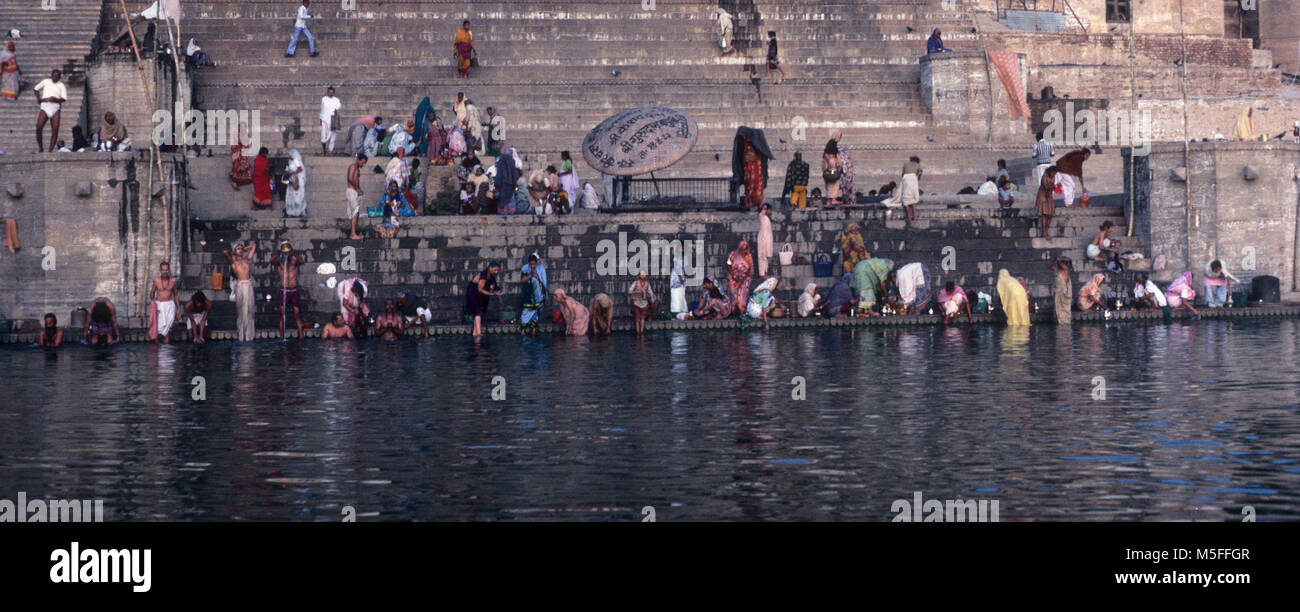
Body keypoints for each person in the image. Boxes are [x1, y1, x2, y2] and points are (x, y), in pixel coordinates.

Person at [271, 241, 305, 339]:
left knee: (297, 314)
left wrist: (293, 253)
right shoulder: (280, 264)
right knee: (282, 314)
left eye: (287, 251)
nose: (286, 254)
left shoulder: (295, 263)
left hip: (293, 291)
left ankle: (301, 336)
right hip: (284, 291)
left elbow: (302, 261)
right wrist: (278, 253)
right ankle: (282, 337)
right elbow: (271, 261)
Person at [224, 242, 256, 341]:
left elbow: (254, 246)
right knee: (240, 310)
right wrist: (234, 253)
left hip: (249, 285)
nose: (241, 250)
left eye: (241, 249)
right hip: (240, 285)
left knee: (250, 309)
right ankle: (241, 336)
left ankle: (250, 336)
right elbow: (225, 252)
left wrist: (244, 248)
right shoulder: (233, 262)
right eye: (238, 248)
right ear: (234, 251)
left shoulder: (246, 259)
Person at [33, 69, 66, 152]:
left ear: (59, 77)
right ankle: (40, 147)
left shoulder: (61, 85)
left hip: (55, 107)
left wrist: (56, 99)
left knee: (55, 129)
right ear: (51, 76)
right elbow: (36, 89)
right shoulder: (45, 81)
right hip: (45, 106)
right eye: (54, 76)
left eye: (57, 77)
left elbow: (64, 99)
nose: (55, 78)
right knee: (39, 127)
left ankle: (50, 150)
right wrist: (38, 99)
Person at [466, 262, 502, 337]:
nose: (496, 272)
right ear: (490, 268)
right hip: (473, 292)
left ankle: (475, 333)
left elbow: (494, 287)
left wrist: (494, 289)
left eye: (497, 270)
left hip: (480, 294)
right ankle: (478, 334)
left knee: (480, 311)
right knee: (477, 311)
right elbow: (480, 289)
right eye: (495, 270)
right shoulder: (484, 275)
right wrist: (492, 293)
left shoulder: (492, 276)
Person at [149, 260, 181, 343]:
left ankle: (166, 352)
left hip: (169, 306)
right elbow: (152, 293)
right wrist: (153, 302)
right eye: (163, 270)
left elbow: (176, 295)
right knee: (158, 329)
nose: (165, 272)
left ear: (169, 270)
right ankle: (156, 351)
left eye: (166, 270)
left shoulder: (173, 281)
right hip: (159, 306)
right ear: (160, 271)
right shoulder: (156, 281)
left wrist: (178, 309)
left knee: (167, 330)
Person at [520, 253, 547, 335]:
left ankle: (533, 331)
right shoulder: (525, 269)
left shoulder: (540, 268)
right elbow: (522, 281)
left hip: (537, 296)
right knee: (526, 313)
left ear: (536, 263)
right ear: (529, 263)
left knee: (535, 313)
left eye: (534, 264)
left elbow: (543, 282)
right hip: (528, 295)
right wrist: (531, 275)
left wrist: (538, 278)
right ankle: (523, 331)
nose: (533, 266)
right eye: (531, 264)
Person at [726, 241, 754, 315]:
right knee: (732, 291)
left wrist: (741, 281)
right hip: (733, 276)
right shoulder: (733, 254)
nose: (744, 251)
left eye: (745, 249)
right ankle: (732, 309)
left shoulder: (749, 257)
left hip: (744, 278)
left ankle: (741, 309)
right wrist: (733, 275)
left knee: (742, 293)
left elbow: (749, 271)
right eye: (742, 249)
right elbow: (728, 264)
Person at [1035, 165, 1059, 238]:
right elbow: (1046, 186)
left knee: (1050, 214)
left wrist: (1056, 187)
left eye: (1055, 173)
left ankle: (1046, 230)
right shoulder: (1044, 176)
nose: (1054, 174)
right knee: (1044, 214)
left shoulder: (1053, 177)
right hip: (1042, 196)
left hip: (1049, 196)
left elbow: (1052, 185)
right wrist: (1054, 186)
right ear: (1051, 171)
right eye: (1053, 173)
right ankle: (1044, 232)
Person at [347, 153, 367, 239]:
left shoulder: (357, 169)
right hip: (351, 191)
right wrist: (356, 189)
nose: (364, 164)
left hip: (354, 191)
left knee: (356, 212)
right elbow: (350, 178)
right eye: (363, 162)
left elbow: (356, 181)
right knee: (355, 212)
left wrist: (359, 189)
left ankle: (353, 232)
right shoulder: (353, 166)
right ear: (359, 160)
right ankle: (353, 234)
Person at [495, 147, 520, 213]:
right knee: (510, 198)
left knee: (503, 198)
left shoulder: (501, 161)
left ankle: (503, 211)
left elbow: (499, 174)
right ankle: (510, 211)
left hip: (503, 184)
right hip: (510, 184)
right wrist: (514, 182)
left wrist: (498, 183)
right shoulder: (511, 160)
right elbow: (514, 173)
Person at [284, 149, 307, 217]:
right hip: (292, 180)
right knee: (291, 197)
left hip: (297, 180)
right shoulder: (290, 161)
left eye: (290, 154)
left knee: (297, 197)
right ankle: (292, 212)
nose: (289, 156)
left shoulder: (296, 160)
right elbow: (288, 169)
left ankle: (298, 212)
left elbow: (300, 169)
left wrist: (291, 173)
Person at [319, 86, 341, 156]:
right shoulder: (324, 99)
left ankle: (331, 151)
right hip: (324, 120)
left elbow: (339, 106)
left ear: (334, 93)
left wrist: (336, 109)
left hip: (333, 119)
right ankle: (324, 151)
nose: (330, 94)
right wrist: (320, 118)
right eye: (329, 92)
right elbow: (322, 109)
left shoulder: (336, 100)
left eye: (332, 93)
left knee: (333, 136)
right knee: (323, 136)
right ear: (327, 92)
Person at [1050, 256, 1072, 325]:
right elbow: (1049, 266)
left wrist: (1059, 260)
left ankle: (1064, 323)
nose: (1060, 263)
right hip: (1058, 293)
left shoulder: (1066, 269)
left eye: (1062, 262)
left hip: (1064, 294)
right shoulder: (1057, 270)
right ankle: (1059, 322)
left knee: (1064, 310)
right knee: (1058, 310)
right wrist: (1054, 260)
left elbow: (1067, 260)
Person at [899, 155, 921, 220]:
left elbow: (902, 173)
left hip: (906, 179)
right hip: (914, 179)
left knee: (905, 199)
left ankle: (908, 216)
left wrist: (904, 178)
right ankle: (914, 216)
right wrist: (917, 176)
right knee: (913, 199)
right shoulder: (917, 164)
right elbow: (920, 172)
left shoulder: (906, 163)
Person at [822, 138, 843, 205]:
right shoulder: (835, 156)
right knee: (835, 186)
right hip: (834, 172)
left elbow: (823, 166)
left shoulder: (825, 156)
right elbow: (839, 164)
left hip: (827, 173)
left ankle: (828, 200)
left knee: (828, 186)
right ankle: (833, 199)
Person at [756, 203, 774, 276]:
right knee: (762, 255)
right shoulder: (762, 216)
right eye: (770, 210)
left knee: (766, 256)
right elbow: (761, 213)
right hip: (763, 238)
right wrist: (764, 208)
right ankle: (762, 273)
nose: (771, 211)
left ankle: (765, 272)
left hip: (767, 238)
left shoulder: (766, 218)